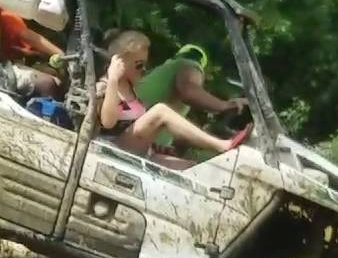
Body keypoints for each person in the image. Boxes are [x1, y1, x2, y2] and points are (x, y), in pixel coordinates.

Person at [98, 30, 250, 164]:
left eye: (145, 64)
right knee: (160, 111)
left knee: (190, 168)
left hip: (142, 150)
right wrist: (113, 79)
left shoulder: (130, 89)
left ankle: (223, 151)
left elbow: (140, 126)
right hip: (113, 148)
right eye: (138, 65)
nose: (143, 70)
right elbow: (108, 122)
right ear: (120, 61)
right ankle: (222, 146)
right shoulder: (106, 86)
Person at [136, 44, 247, 154]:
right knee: (162, 111)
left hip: (145, 142)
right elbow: (188, 91)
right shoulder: (191, 64)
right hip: (135, 137)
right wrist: (224, 105)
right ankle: (223, 145)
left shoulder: (160, 74)